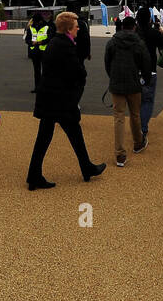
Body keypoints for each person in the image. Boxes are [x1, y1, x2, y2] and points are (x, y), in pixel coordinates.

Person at [26, 10, 106, 190]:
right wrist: (81, 76)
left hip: (51, 98)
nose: (79, 29)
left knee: (56, 135)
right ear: (69, 29)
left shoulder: (55, 42)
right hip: (59, 100)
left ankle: (36, 175)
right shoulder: (65, 46)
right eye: (76, 27)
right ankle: (84, 168)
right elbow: (77, 72)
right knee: (57, 135)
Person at [104, 16, 150, 166]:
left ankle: (120, 154)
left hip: (117, 83)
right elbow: (145, 63)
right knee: (135, 115)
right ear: (134, 27)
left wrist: (112, 76)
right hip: (133, 82)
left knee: (118, 117)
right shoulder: (139, 43)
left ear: (122, 27)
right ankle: (138, 142)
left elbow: (107, 62)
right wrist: (146, 79)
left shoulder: (112, 42)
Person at [131, 6, 163, 145]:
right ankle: (143, 128)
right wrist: (161, 33)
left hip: (134, 71)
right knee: (147, 101)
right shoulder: (154, 33)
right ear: (150, 18)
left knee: (135, 101)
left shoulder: (133, 33)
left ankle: (136, 126)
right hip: (149, 71)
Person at [24, 11, 50, 92]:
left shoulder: (47, 27)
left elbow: (50, 38)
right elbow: (27, 39)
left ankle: (45, 87)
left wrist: (40, 42)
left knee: (45, 71)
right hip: (35, 52)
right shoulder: (31, 28)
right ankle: (37, 87)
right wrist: (31, 43)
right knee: (37, 71)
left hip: (44, 51)